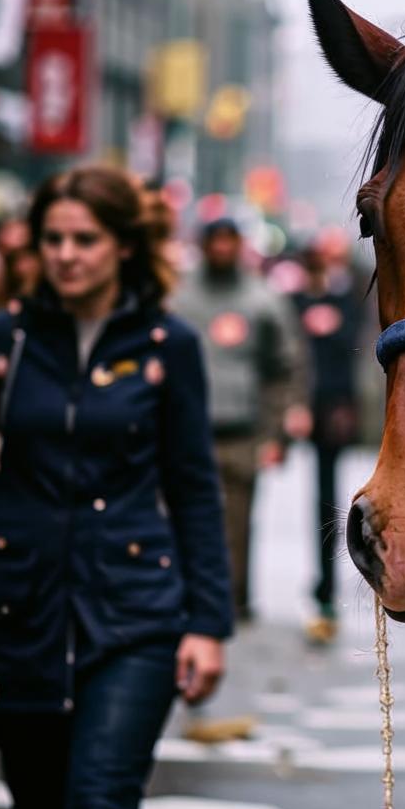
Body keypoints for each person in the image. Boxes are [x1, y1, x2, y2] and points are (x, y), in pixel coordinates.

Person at [0, 165, 232, 809]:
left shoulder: (170, 347)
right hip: (13, 614)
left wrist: (207, 623)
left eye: (84, 239)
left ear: (123, 246)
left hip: (138, 611)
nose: (66, 254)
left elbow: (196, 488)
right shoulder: (5, 341)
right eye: (53, 239)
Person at [172, 216, 310, 622]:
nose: (221, 248)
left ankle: (232, 599)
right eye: (214, 240)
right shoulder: (179, 296)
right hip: (185, 429)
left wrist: (279, 431)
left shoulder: (263, 298)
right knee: (184, 515)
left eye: (228, 241)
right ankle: (186, 596)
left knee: (237, 520)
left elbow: (286, 366)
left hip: (243, 429)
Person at [291, 228, 363, 643]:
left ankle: (327, 585)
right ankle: (322, 584)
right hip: (305, 404)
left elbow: (350, 343)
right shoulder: (297, 300)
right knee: (317, 495)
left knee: (327, 494)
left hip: (335, 405)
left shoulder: (345, 298)